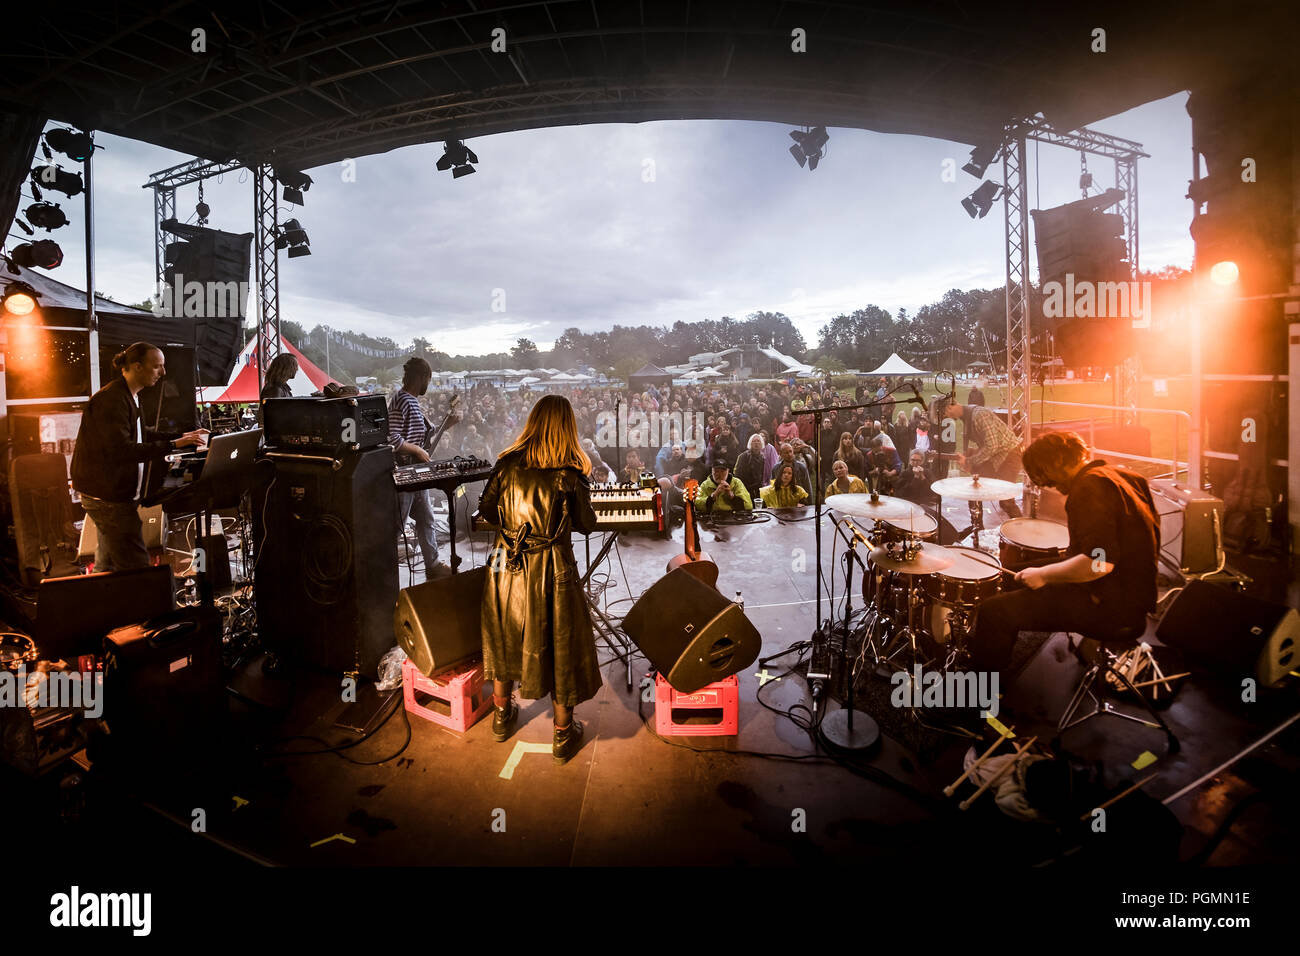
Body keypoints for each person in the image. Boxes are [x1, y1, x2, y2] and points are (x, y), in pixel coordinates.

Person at [968, 432, 1159, 677]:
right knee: (1009, 575)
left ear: (1055, 462)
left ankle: (982, 694)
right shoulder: (1123, 475)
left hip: (1111, 605)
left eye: (1042, 476)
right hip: (1132, 594)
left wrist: (1045, 576)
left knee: (994, 612)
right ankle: (1000, 647)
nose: (1043, 485)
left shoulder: (1088, 489)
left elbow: (1100, 563)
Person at [478, 395, 600, 764]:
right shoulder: (569, 474)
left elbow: (485, 510)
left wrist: (514, 533)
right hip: (551, 567)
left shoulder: (506, 463)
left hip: (505, 564)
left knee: (504, 635)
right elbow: (586, 523)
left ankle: (501, 716)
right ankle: (563, 736)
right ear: (568, 428)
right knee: (562, 644)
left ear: (532, 423)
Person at [71, 342, 208, 572]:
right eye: (157, 367)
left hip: (110, 495)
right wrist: (174, 444)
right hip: (107, 498)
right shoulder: (111, 400)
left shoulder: (130, 395)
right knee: (136, 567)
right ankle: (146, 606)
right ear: (136, 367)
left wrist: (184, 436)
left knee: (107, 564)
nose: (163, 373)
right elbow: (121, 451)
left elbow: (143, 435)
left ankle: (98, 604)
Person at [388, 357, 444, 573]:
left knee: (426, 519)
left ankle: (433, 564)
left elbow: (422, 438)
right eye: (428, 379)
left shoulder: (412, 401)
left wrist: (446, 424)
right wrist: (418, 451)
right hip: (404, 471)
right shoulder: (402, 399)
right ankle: (384, 572)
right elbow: (392, 438)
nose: (428, 385)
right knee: (397, 525)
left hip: (417, 471)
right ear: (420, 377)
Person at [934, 396, 1022, 517]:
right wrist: (969, 457)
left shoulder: (979, 415)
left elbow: (992, 445)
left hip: (1010, 454)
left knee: (1006, 500)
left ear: (949, 407)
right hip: (997, 455)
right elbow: (988, 446)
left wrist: (970, 460)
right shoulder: (967, 419)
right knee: (974, 491)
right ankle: (977, 526)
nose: (946, 418)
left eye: (945, 414)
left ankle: (1020, 529)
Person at [733, 433, 768, 501]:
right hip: (746, 488)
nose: (756, 443)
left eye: (758, 441)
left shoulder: (763, 457)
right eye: (754, 441)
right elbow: (738, 474)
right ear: (750, 443)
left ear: (761, 444)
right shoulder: (743, 456)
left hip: (758, 489)